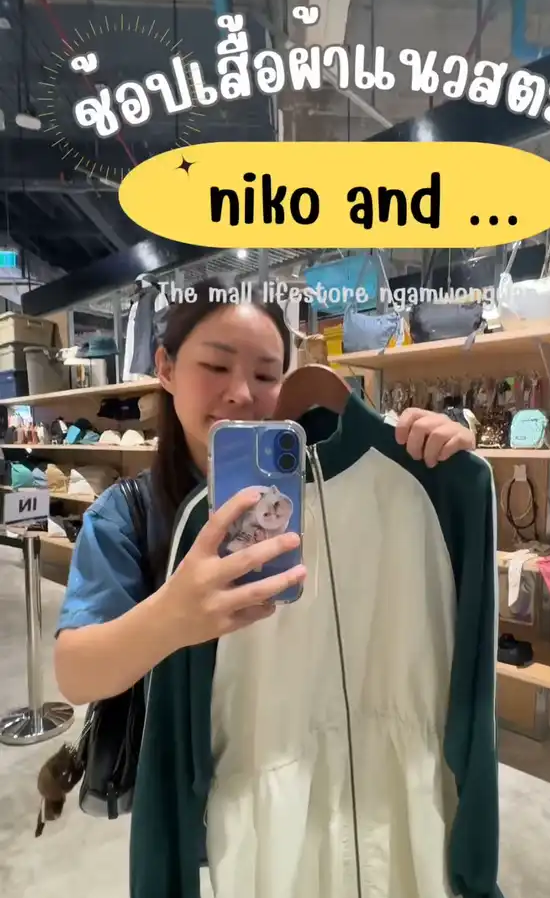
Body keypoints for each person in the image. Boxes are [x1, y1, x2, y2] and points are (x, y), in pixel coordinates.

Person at [55, 285, 476, 704]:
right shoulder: (127, 514)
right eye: (216, 366)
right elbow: (75, 677)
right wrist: (172, 616)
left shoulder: (318, 488)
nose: (241, 393)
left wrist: (439, 454)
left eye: (265, 376)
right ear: (166, 368)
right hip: (169, 745)